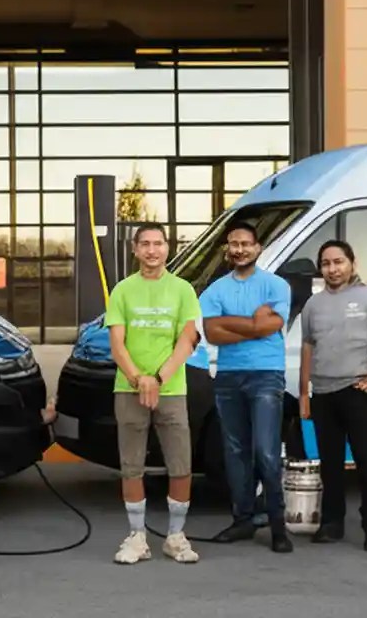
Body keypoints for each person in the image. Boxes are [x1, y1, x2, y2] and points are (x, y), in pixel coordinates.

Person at [298, 240, 367, 551]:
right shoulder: (313, 305)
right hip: (324, 394)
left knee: (366, 461)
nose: (332, 269)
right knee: (329, 463)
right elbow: (307, 347)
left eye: (338, 262)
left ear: (352, 264)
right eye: (327, 263)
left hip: (358, 392)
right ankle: (332, 523)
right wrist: (304, 392)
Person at [105, 223, 202, 565]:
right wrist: (138, 378)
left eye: (157, 243)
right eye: (144, 244)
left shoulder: (183, 290)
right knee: (131, 465)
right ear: (135, 250)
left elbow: (187, 340)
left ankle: (175, 537)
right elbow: (117, 344)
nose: (151, 250)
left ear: (167, 248)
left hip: (171, 389)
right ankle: (137, 538)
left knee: (181, 463)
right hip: (128, 389)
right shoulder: (122, 290)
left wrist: (158, 378)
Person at [200, 221, 294, 553]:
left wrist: (234, 324)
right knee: (235, 452)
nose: (239, 249)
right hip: (228, 376)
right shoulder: (214, 290)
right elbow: (212, 333)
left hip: (266, 374)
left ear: (258, 248)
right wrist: (255, 325)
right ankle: (243, 520)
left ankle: (278, 526)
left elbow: (275, 323)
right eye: (233, 244)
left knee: (266, 452)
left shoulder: (276, 286)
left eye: (245, 244)